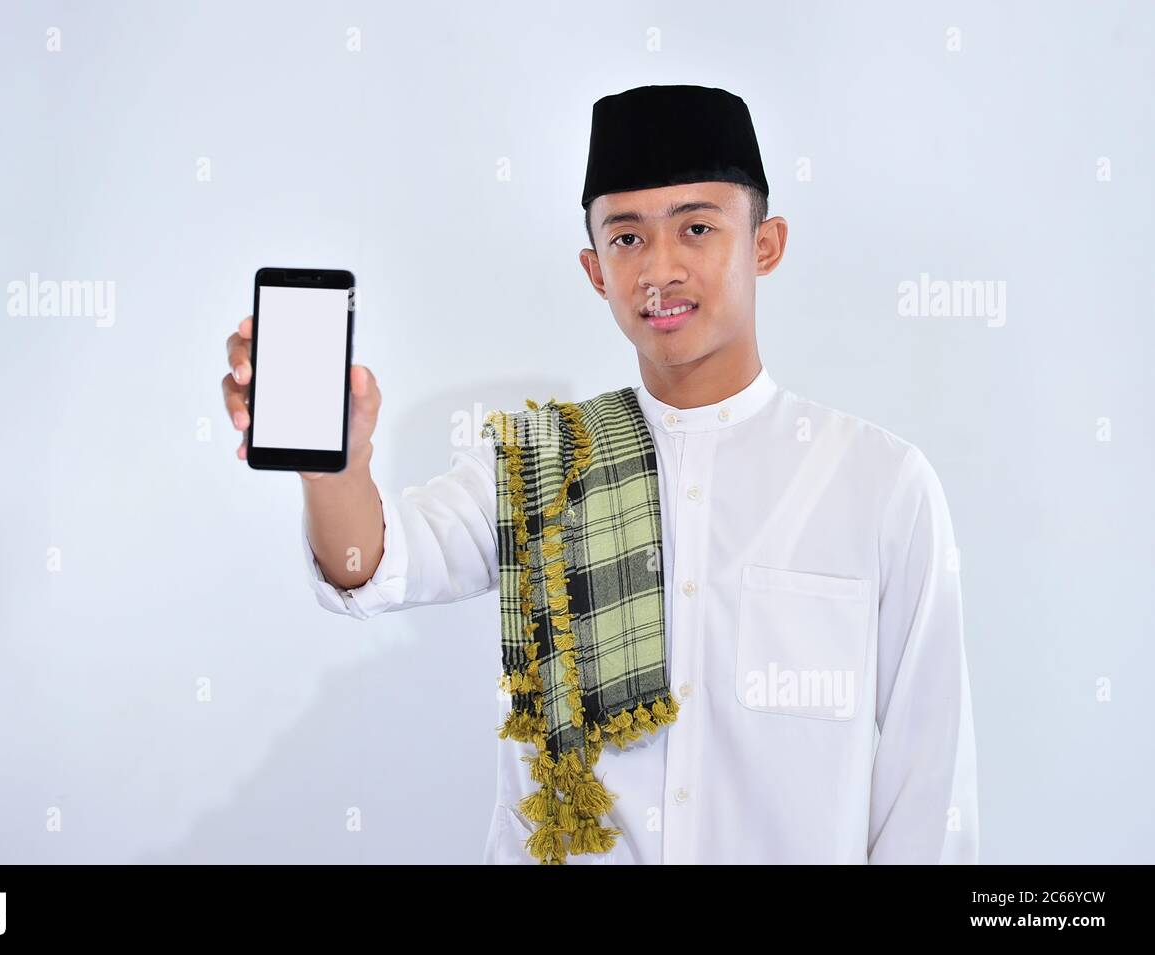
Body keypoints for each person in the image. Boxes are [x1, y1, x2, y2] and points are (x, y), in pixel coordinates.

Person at [220, 84, 979, 865]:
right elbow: (375, 564)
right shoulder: (537, 466)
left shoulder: (879, 484)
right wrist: (333, 465)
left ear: (765, 244)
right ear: (594, 269)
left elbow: (930, 785)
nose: (660, 268)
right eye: (627, 238)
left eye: (696, 228)